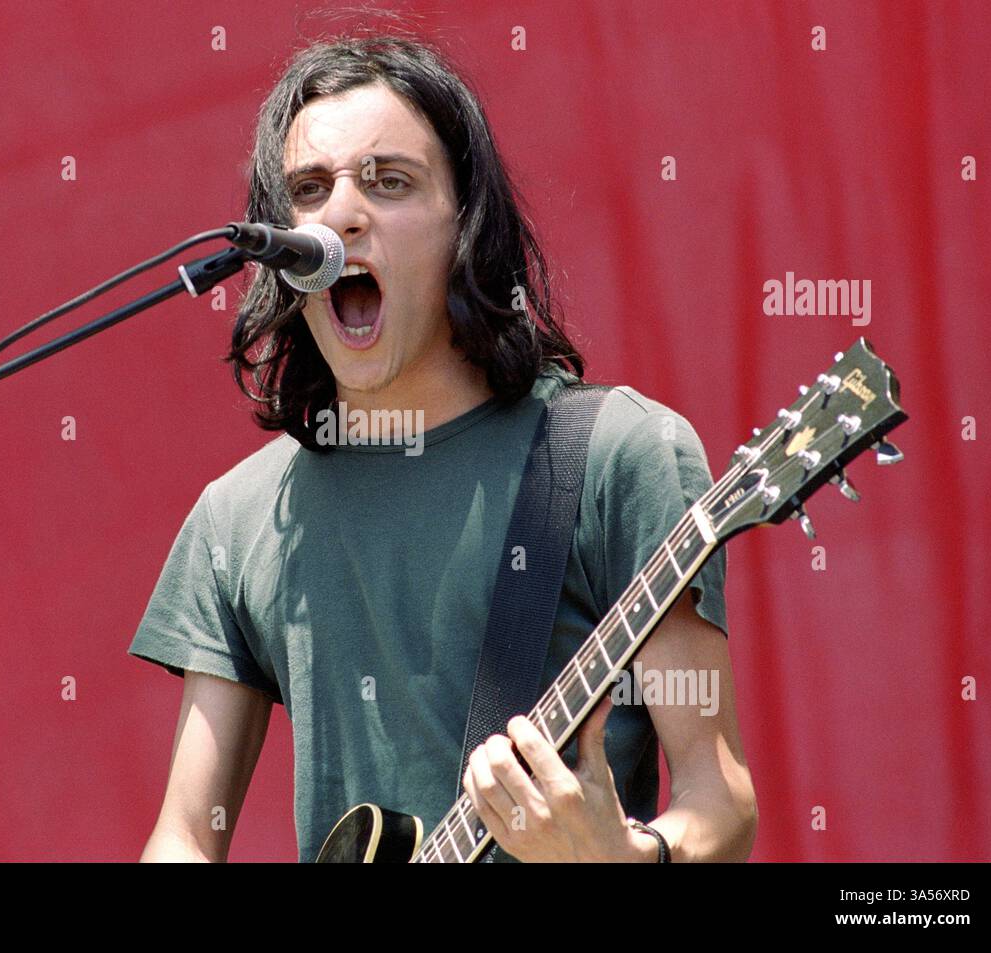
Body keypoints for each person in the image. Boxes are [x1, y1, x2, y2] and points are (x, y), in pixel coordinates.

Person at [129, 34, 757, 863]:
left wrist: (633, 857)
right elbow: (183, 835)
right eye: (309, 190)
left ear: (466, 221)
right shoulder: (238, 519)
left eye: (390, 182)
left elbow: (721, 801)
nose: (343, 214)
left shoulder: (614, 454)